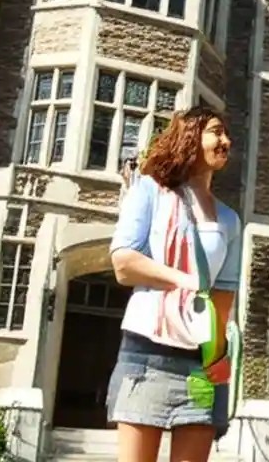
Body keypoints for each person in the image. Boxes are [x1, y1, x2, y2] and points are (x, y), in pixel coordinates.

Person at [106, 106, 243, 462]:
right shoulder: (150, 190)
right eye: (216, 131)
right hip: (145, 354)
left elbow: (223, 299)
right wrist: (185, 280)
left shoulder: (229, 220)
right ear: (190, 136)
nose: (225, 140)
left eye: (226, 133)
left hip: (200, 366)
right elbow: (123, 264)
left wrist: (219, 357)